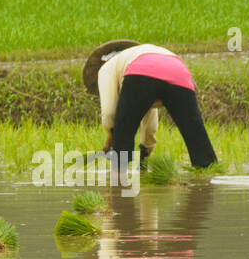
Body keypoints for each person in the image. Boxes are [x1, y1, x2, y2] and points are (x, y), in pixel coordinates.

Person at [83, 40, 217, 172]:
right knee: (195, 132)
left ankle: (118, 180)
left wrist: (111, 137)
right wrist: (145, 150)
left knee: (123, 131)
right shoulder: (135, 56)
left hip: (140, 73)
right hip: (179, 71)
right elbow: (148, 115)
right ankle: (208, 172)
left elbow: (109, 112)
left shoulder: (106, 68)